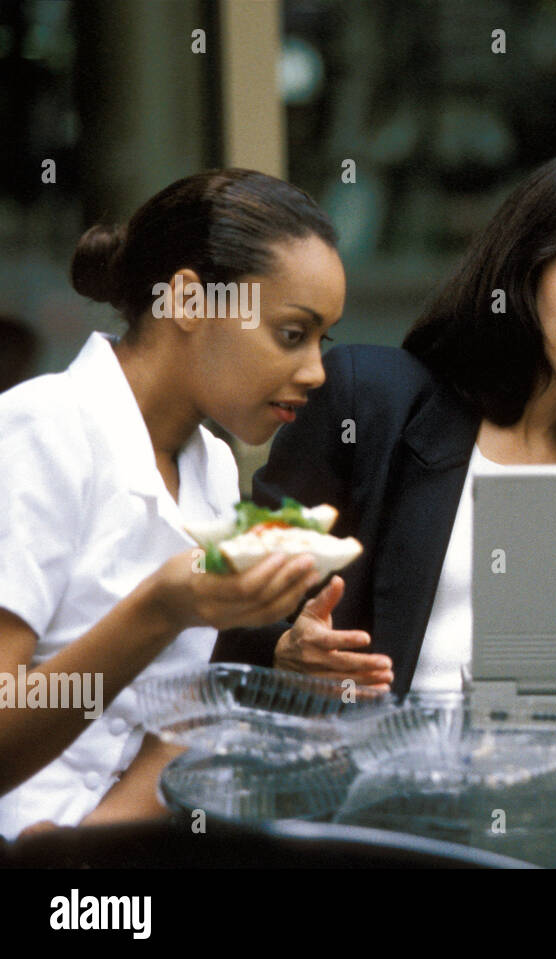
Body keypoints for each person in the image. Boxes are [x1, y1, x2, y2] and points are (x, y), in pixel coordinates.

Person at [213, 149, 556, 695]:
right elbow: (229, 618)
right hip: (377, 770)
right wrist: (284, 651)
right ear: (526, 268)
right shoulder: (367, 401)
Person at [0, 169, 345, 839]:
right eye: (291, 333)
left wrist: (277, 667)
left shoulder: (209, 464)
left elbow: (167, 725)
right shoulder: (42, 429)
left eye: (321, 339)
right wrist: (163, 605)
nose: (316, 372)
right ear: (189, 299)